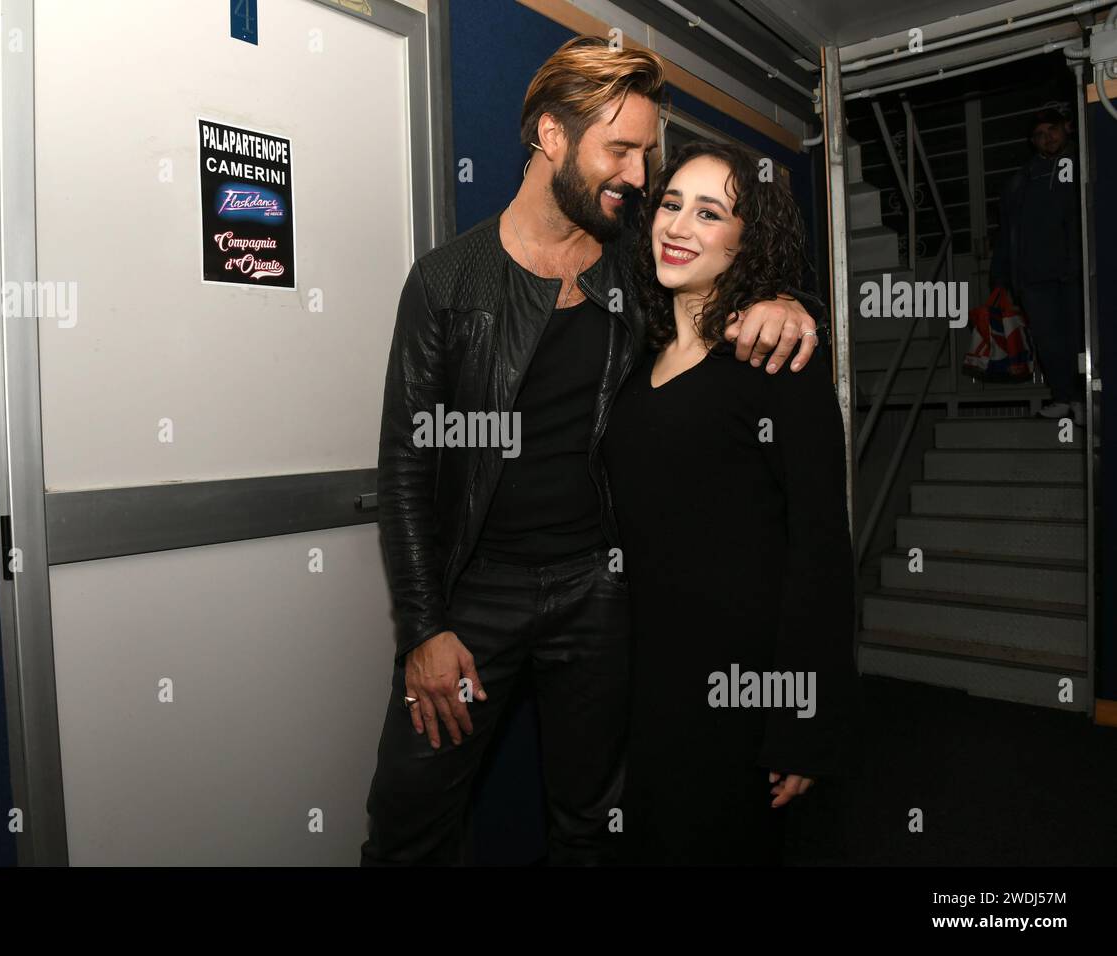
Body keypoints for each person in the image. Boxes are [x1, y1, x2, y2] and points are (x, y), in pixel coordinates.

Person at [360, 36, 828, 866]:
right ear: (551, 137)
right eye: (621, 150)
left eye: (646, 154)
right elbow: (405, 466)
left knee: (596, 821)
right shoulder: (448, 282)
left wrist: (788, 301)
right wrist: (424, 626)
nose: (640, 178)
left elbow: (729, 268)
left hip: (601, 593)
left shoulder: (634, 271)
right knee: (410, 814)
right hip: (477, 597)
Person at [602, 141, 861, 865]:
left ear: (749, 240)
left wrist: (806, 717)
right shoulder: (634, 363)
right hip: (649, 682)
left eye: (710, 213)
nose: (678, 226)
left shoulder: (778, 363)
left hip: (743, 688)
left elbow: (820, 549)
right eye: (672, 204)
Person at [989, 107, 1085, 423]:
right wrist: (1000, 279)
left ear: (1067, 129)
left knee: (1080, 337)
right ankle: (1062, 397)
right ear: (1033, 141)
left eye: (1053, 129)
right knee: (1047, 340)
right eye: (1040, 134)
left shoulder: (1085, 162)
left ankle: (1083, 399)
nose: (1048, 137)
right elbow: (1007, 234)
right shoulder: (1021, 180)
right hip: (1033, 278)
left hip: (1076, 273)